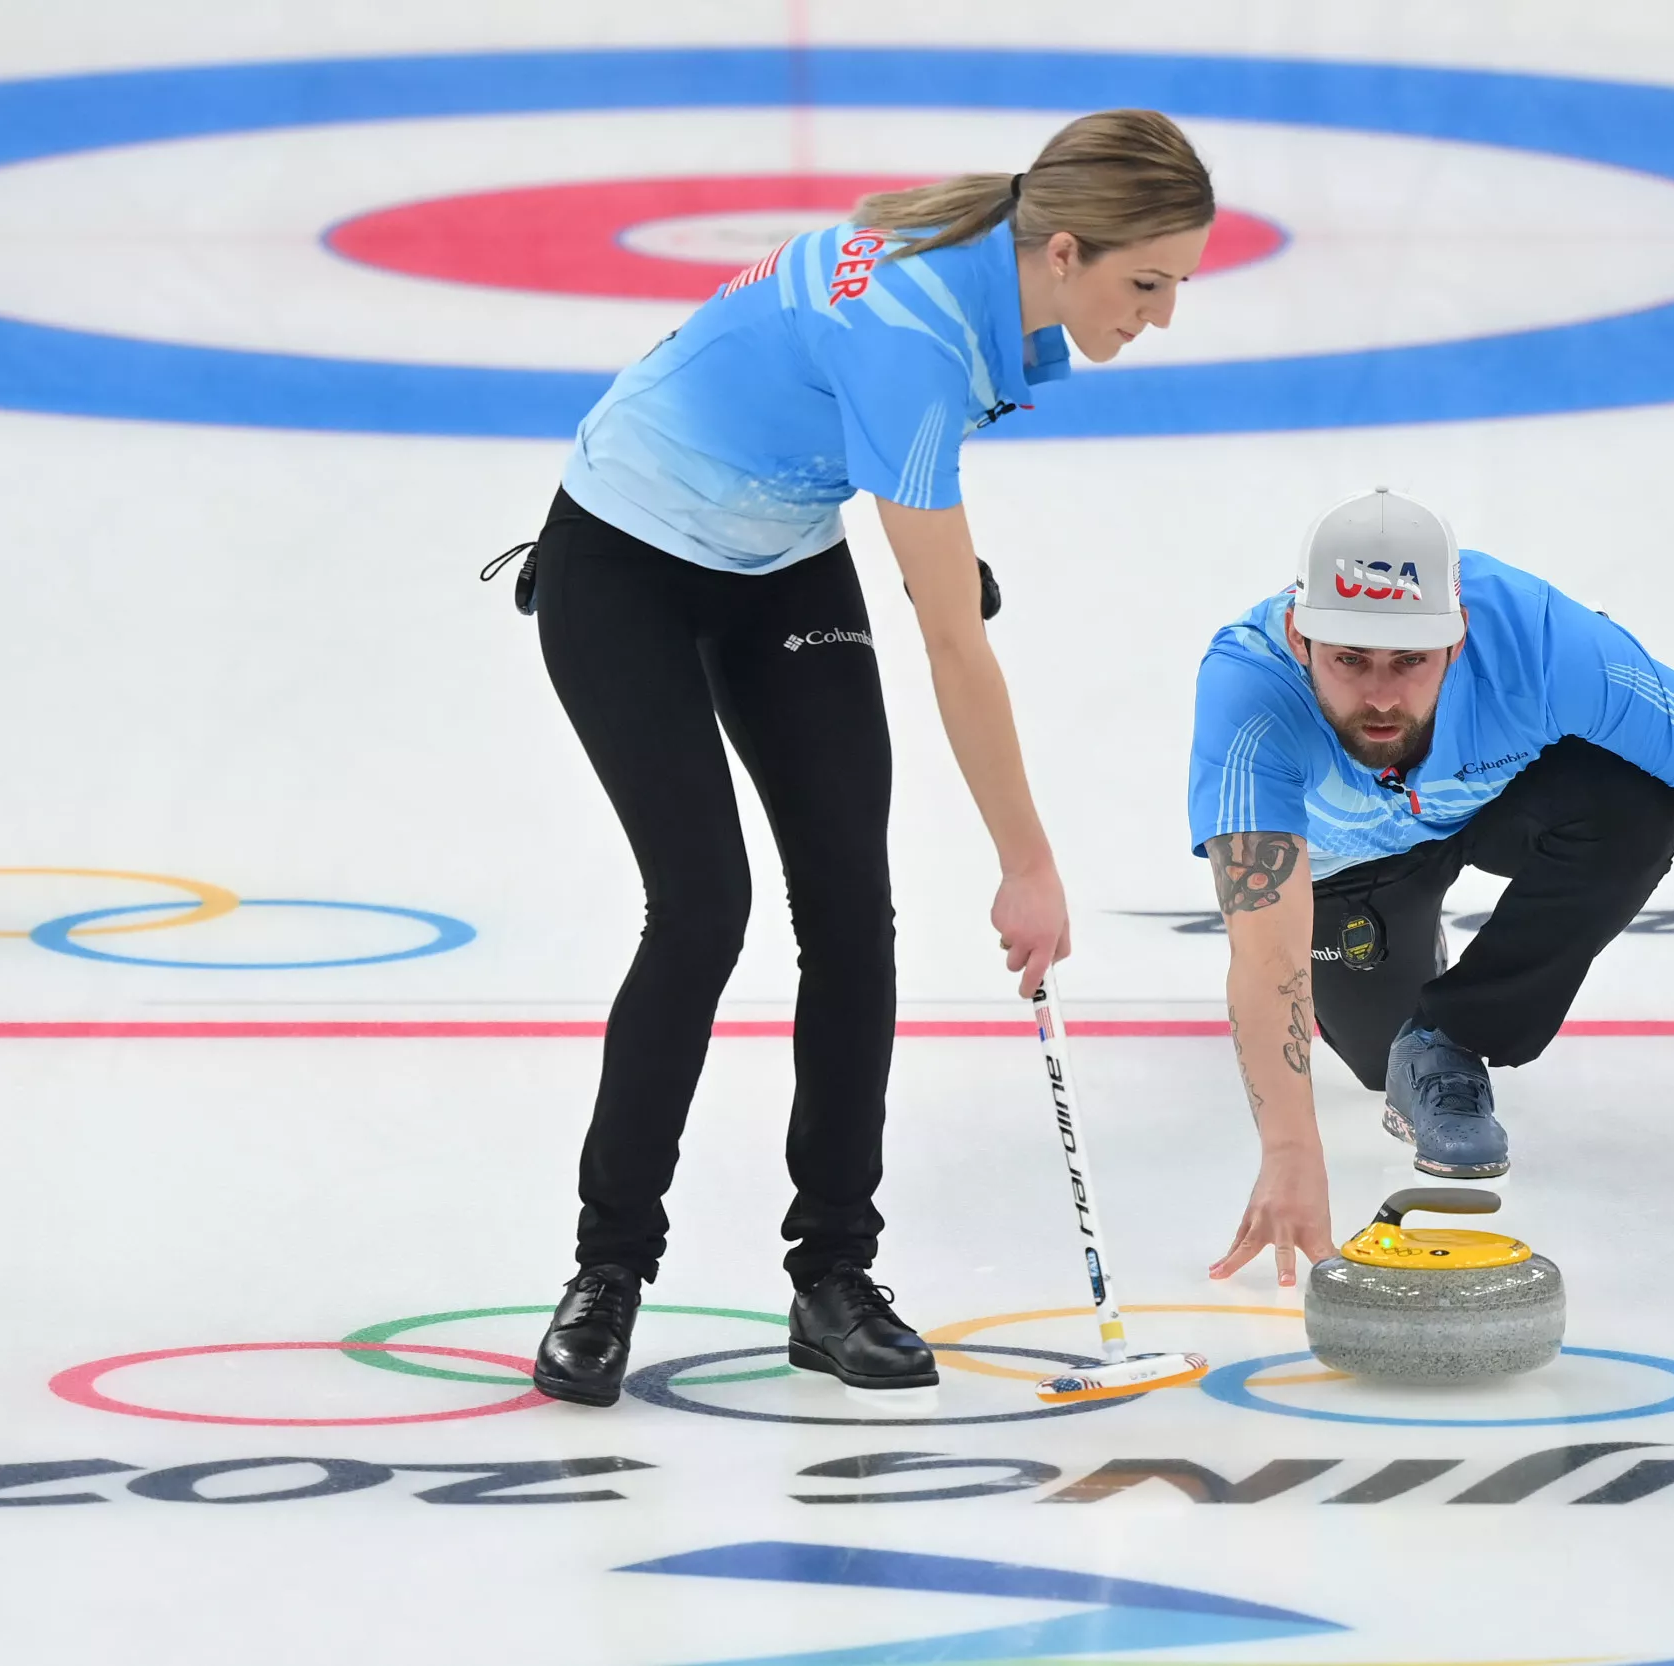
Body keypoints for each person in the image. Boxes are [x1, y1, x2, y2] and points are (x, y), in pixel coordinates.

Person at [516, 111, 1215, 1403]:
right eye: (1147, 283)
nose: (1162, 316)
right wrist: (1028, 864)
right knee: (703, 908)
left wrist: (932, 524)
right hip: (621, 564)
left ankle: (833, 1274)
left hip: (777, 555)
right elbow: (953, 647)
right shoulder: (915, 336)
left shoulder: (980, 257)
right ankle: (605, 1270)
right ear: (1062, 251)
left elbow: (842, 413)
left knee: (851, 912)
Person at [1188, 487, 1674, 1283]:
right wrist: (1291, 1153)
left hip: (1492, 801)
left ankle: (1453, 1032)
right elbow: (1266, 956)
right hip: (1350, 868)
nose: (1380, 698)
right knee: (1371, 1062)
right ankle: (1407, 972)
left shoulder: (1541, 638)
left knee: (1637, 799)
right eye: (1349, 661)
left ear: (1459, 636)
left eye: (1411, 662)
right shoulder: (1248, 689)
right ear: (1301, 638)